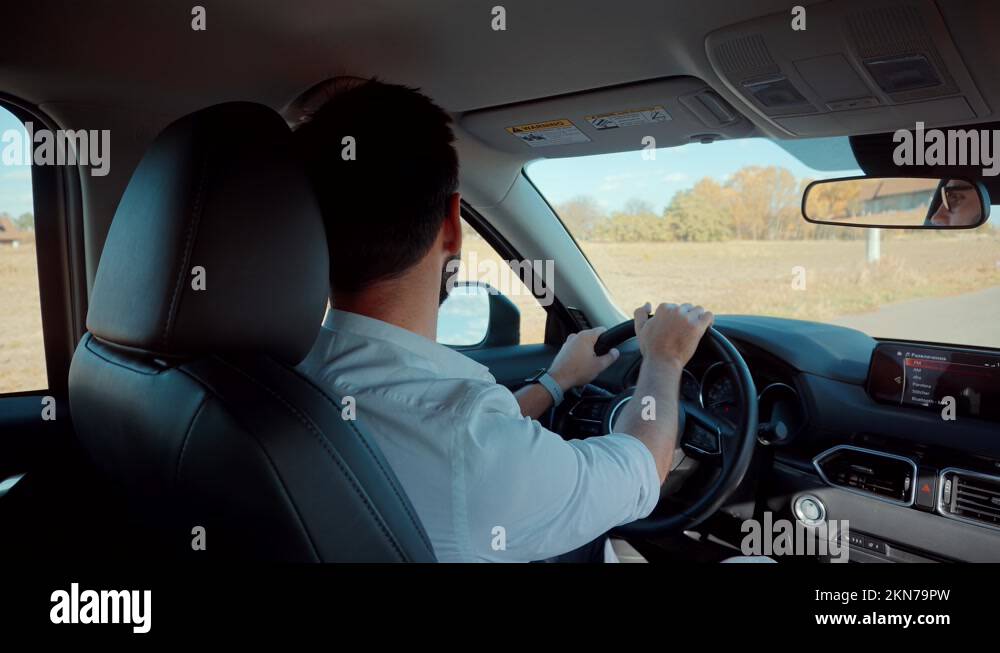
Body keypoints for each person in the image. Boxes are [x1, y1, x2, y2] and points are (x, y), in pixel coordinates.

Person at [293, 79, 713, 562]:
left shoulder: (285, 374)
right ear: (452, 224)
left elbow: (444, 431)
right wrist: (664, 359)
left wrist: (557, 381)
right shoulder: (464, 442)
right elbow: (644, 471)